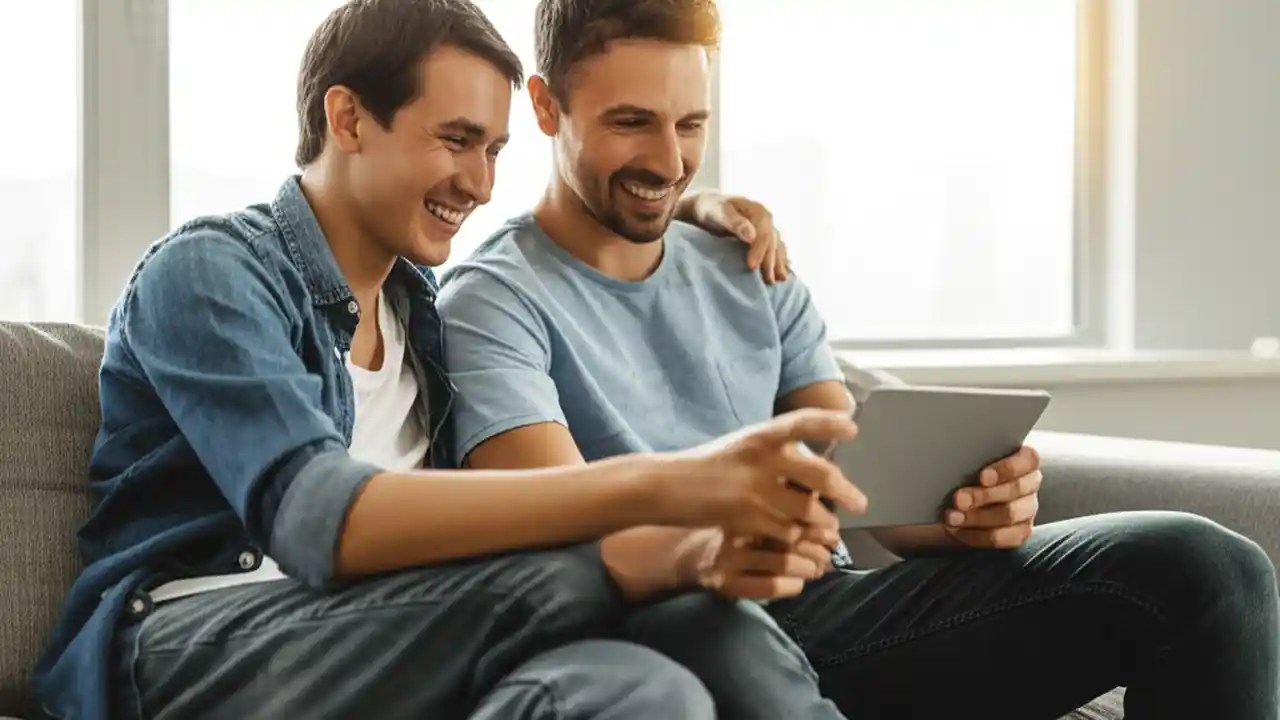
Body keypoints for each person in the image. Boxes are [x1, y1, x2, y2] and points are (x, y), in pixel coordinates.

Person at [435, 0, 1280, 718]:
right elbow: (561, 534)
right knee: (710, 626)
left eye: (690, 125)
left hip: (839, 613)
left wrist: (964, 514)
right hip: (689, 628)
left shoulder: (747, 265)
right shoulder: (492, 301)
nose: (668, 161)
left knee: (1208, 567)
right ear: (545, 106)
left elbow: (857, 487)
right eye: (630, 123)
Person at [32, 2, 863, 718]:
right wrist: (672, 490)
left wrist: (684, 205)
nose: (480, 183)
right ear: (348, 119)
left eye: (495, 150)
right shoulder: (211, 271)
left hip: (395, 632)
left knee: (648, 684)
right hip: (197, 635)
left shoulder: (424, 314)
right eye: (456, 140)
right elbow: (317, 518)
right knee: (598, 575)